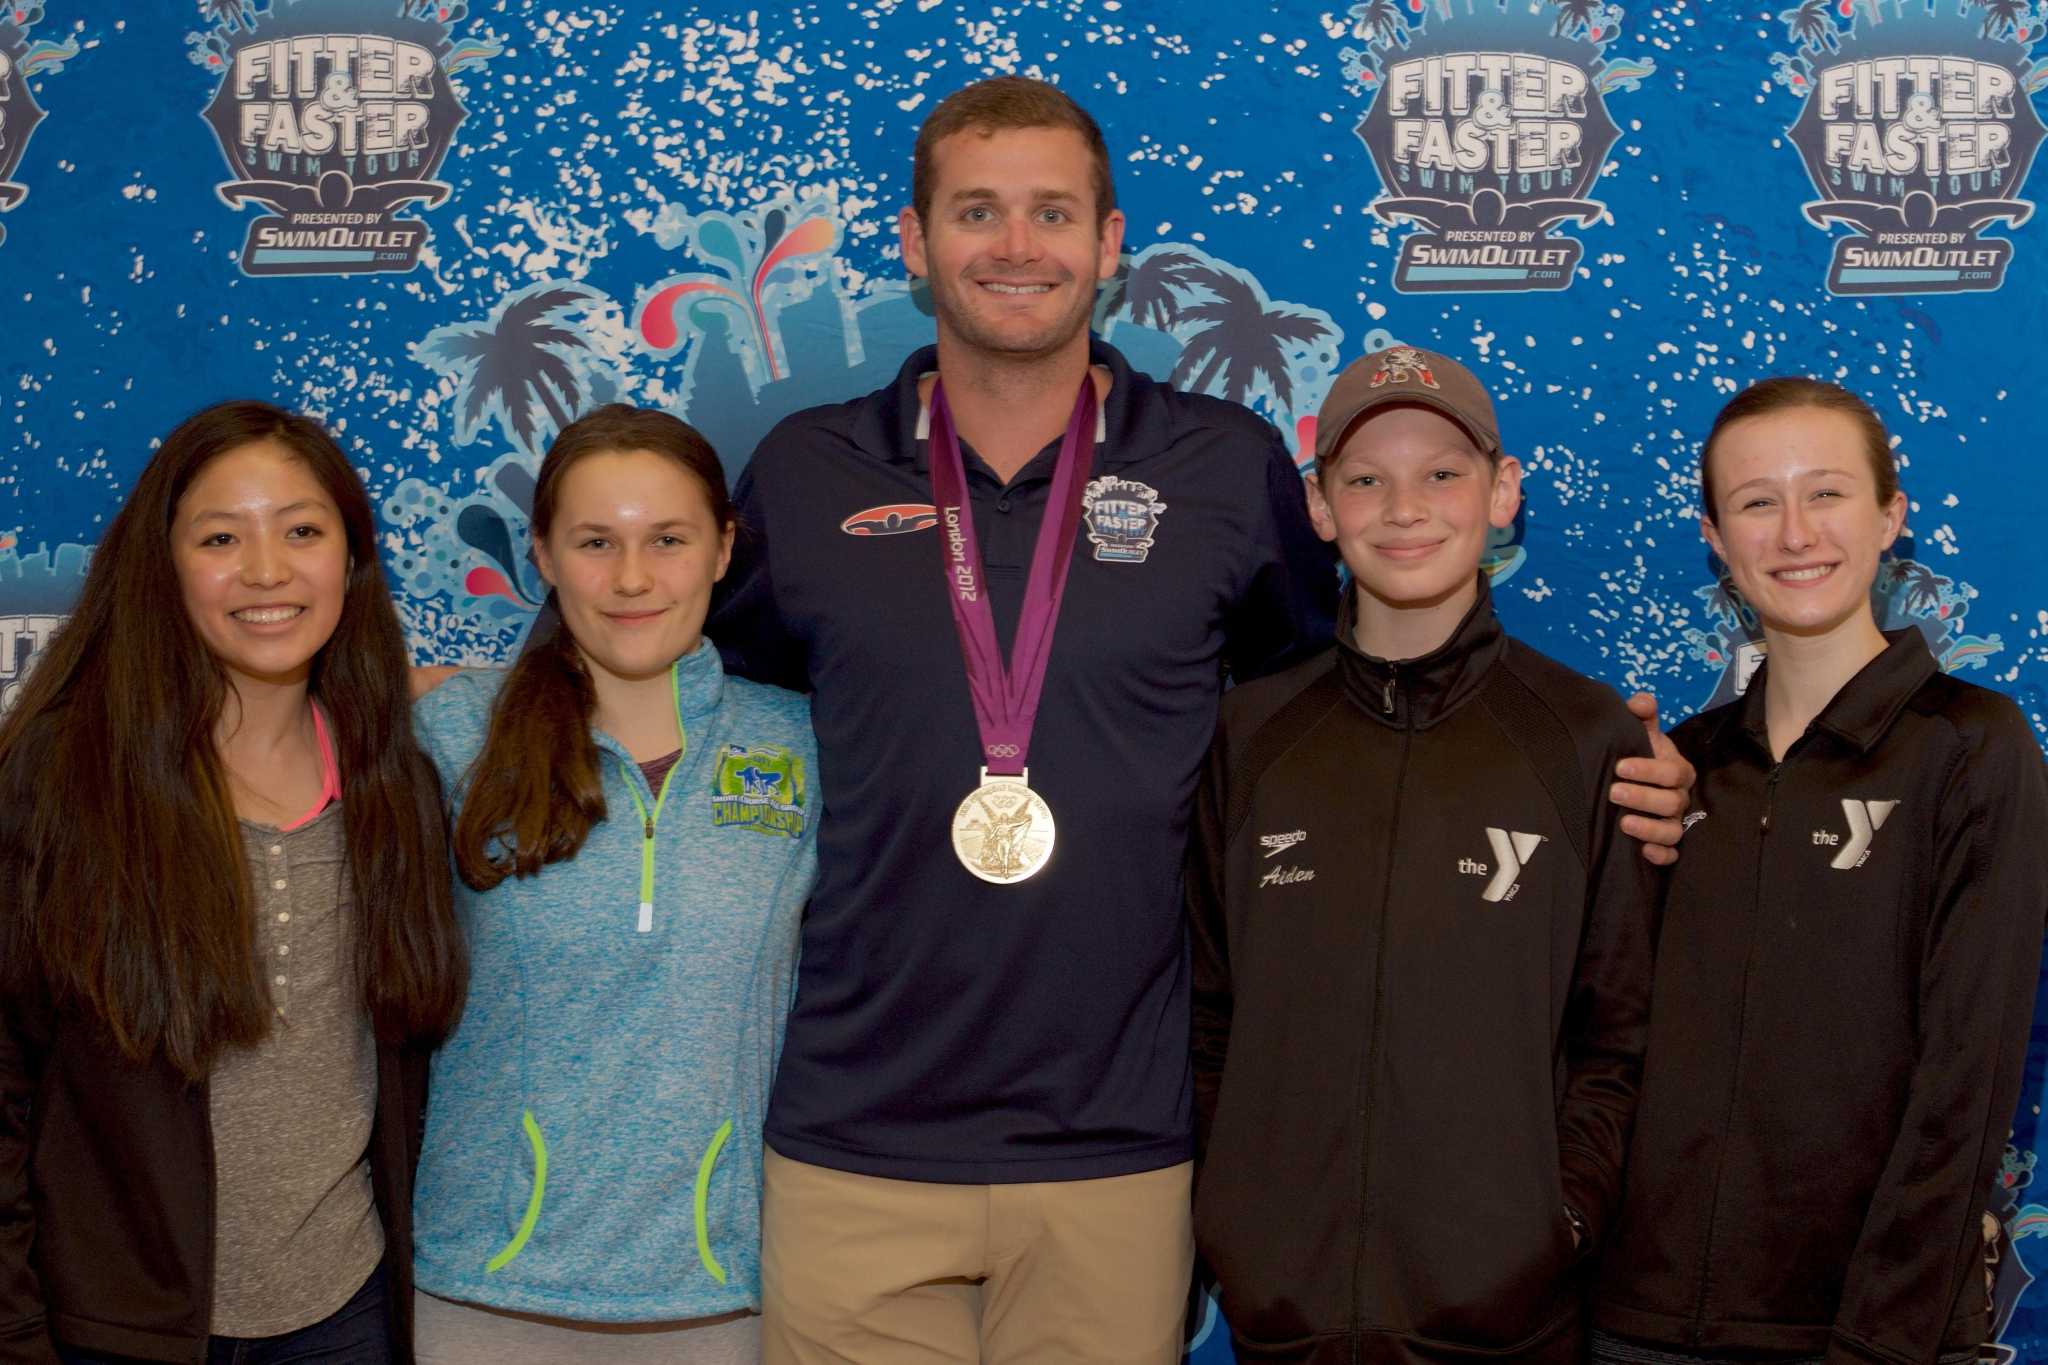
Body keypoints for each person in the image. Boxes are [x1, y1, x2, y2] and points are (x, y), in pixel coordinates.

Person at [707, 76, 1695, 1365]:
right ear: (912, 240)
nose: (1016, 246)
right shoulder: (806, 470)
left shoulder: (1222, 470)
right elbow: (675, 673)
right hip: (854, 1142)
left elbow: (1337, 717)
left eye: (1053, 213)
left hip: (1120, 1156)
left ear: (1110, 246)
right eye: (977, 212)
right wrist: (472, 700)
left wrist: (1615, 782)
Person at [1186, 346, 1660, 1363]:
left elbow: (1620, 1036)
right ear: (1319, 508)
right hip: (1282, 1311)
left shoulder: (1585, 740)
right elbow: (1207, 1012)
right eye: (1364, 478)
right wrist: (1235, 1224)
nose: (1403, 507)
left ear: (1502, 492)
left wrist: (1551, 1223)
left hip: (1506, 1320)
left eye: (1441, 473)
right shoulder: (1250, 735)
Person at [1590, 379, 2048, 1365]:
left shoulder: (1970, 746)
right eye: (1756, 501)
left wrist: (1883, 1334)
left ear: (1890, 515)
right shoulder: (1680, 767)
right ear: (1713, 536)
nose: (1794, 533)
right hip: (1639, 1325)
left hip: (1863, 1329)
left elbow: (1965, 1084)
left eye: (1826, 493)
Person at [0, 400, 469, 1363]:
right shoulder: (60, 783)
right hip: (115, 1331)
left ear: (350, 556)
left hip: (349, 1317)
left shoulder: (401, 783)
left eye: (303, 530)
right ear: (163, 564)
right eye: (222, 536)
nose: (267, 571)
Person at [407, 404, 816, 1365]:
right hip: (486, 1294)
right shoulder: (454, 734)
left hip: (726, 1301)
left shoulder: (804, 745)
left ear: (723, 549)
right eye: (596, 541)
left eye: (667, 540)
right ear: (543, 555)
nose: (632, 578)